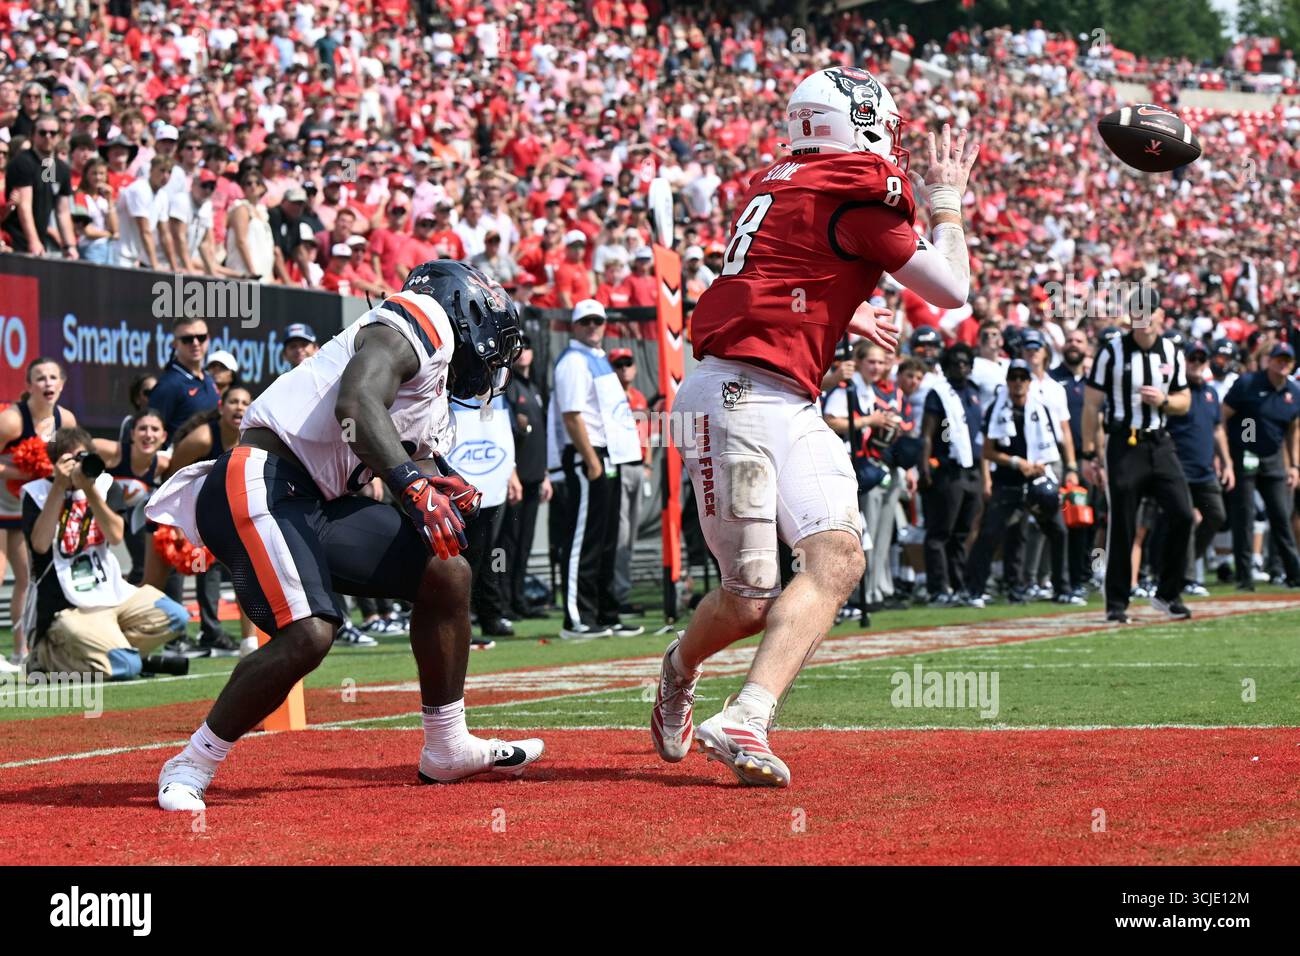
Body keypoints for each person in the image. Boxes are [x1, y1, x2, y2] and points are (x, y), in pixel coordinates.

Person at [657, 68, 977, 787]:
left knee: (838, 556)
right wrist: (948, 205)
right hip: (732, 398)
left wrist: (832, 309)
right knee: (748, 596)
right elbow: (953, 291)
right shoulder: (853, 195)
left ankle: (747, 716)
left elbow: (768, 275)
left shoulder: (785, 182)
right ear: (859, 121)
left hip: (785, 398)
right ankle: (679, 667)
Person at [147, 260, 541, 811]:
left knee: (446, 570)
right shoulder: (423, 318)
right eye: (490, 344)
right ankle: (192, 761)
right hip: (263, 474)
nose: (489, 363)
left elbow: (407, 462)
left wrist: (441, 486)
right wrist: (410, 484)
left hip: (315, 502)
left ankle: (446, 746)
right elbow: (355, 402)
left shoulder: (433, 394)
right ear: (465, 313)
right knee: (309, 633)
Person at [22, 427, 188, 677]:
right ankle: (46, 657)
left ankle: (116, 654)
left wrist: (88, 491)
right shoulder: (37, 493)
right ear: (56, 463)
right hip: (66, 607)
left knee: (177, 616)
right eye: (71, 459)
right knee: (127, 667)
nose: (79, 465)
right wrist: (58, 487)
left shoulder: (104, 485)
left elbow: (115, 535)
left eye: (83, 457)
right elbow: (41, 545)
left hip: (110, 593)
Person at [1081, 301, 1195, 623]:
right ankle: (1117, 603)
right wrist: (1089, 454)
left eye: (1150, 312)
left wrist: (1165, 401)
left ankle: (1168, 594)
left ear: (1161, 316)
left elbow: (1184, 401)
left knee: (1184, 514)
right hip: (1123, 443)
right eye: (1138, 313)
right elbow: (1091, 406)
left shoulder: (1172, 352)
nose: (1144, 319)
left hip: (1159, 442)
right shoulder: (1111, 352)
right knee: (1124, 524)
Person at [550, 299, 645, 639]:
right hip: (589, 456)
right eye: (586, 321)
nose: (593, 327)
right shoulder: (574, 361)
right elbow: (572, 415)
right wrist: (590, 459)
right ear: (575, 326)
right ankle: (576, 618)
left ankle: (606, 612)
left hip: (610, 456)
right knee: (584, 540)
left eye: (598, 321)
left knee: (605, 539)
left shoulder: (599, 360)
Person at [965, 360, 1083, 607]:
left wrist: (1053, 467)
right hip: (1008, 480)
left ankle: (1063, 588)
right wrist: (1018, 463)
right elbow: (988, 451)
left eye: (1022, 377)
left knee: (1058, 530)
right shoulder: (995, 409)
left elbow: (1054, 444)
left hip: (1039, 479)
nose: (1018, 382)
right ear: (1007, 381)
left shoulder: (1041, 408)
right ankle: (977, 590)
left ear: (1029, 382)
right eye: (1013, 377)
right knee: (992, 534)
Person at [163, 387, 256, 657]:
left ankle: (249, 642)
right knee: (158, 577)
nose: (239, 407)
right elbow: (172, 476)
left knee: (246, 571)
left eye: (245, 403)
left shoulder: (253, 436)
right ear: (221, 407)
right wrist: (178, 523)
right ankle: (164, 640)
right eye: (233, 402)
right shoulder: (203, 438)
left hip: (231, 512)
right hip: (191, 513)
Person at [0, 358, 80, 664]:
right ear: (28, 385)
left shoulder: (66, 419)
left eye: (52, 378)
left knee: (28, 577)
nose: (47, 383)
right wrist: (23, 470)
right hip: (2, 500)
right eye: (40, 378)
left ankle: (22, 651)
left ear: (62, 384)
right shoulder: (12, 420)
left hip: (31, 504)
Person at [823, 340, 912, 612]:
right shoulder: (846, 389)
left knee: (881, 533)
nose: (876, 367)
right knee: (866, 534)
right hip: (851, 467)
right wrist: (869, 422)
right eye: (870, 361)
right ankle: (862, 594)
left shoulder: (870, 391)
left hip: (871, 464)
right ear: (858, 362)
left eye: (880, 362)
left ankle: (874, 591)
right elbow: (830, 420)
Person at [1221, 342, 1300, 590]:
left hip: (1274, 457)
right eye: (1279, 359)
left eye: (1287, 360)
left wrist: (1294, 465)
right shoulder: (1247, 384)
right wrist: (1223, 458)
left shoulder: (1294, 392)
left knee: (1281, 515)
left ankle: (1291, 572)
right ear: (1269, 360)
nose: (1283, 364)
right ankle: (1245, 577)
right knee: (1243, 517)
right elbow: (1222, 417)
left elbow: (1293, 431)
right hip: (1244, 452)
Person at [1164, 339, 1232, 596]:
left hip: (1205, 470)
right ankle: (1188, 578)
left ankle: (1185, 565)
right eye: (1192, 358)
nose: (1196, 363)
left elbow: (1217, 430)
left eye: (1201, 359)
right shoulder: (1176, 392)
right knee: (1189, 518)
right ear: (1184, 361)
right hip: (1178, 468)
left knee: (1217, 515)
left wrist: (1227, 463)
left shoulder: (1211, 393)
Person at [919, 343, 984, 605]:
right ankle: (938, 588)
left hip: (971, 470)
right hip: (948, 469)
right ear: (945, 366)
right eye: (955, 362)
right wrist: (924, 468)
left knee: (962, 533)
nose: (961, 366)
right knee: (940, 532)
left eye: (965, 362)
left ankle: (958, 586)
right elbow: (926, 434)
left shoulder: (973, 391)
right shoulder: (938, 393)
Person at [500, 335, 552, 619]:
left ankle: (518, 598)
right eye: (518, 346)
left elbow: (541, 435)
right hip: (515, 477)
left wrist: (544, 474)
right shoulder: (507, 385)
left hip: (534, 476)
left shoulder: (535, 387)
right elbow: (506, 433)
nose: (523, 351)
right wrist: (513, 472)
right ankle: (504, 601)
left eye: (528, 345)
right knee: (507, 543)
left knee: (525, 543)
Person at [609, 348, 651, 612]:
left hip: (638, 466)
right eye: (618, 364)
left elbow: (645, 432)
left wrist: (647, 463)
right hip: (620, 466)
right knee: (620, 533)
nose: (624, 368)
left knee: (630, 532)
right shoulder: (610, 396)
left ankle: (621, 590)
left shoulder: (639, 397)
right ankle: (617, 593)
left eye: (628, 363)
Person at [2, 112, 78, 257]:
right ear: (33, 135)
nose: (48, 137)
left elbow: (62, 211)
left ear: (59, 136)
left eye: (53, 133)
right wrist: (34, 241)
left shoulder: (59, 167)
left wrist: (70, 245)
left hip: (40, 240)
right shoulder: (23, 162)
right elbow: (24, 206)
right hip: (15, 240)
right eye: (42, 133)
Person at [225, 168, 275, 282]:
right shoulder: (241, 208)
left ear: (262, 187)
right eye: (248, 183)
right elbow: (241, 241)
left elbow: (267, 246)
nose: (253, 186)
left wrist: (269, 274)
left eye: (257, 183)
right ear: (243, 188)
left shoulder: (263, 212)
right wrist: (252, 272)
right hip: (245, 273)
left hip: (263, 273)